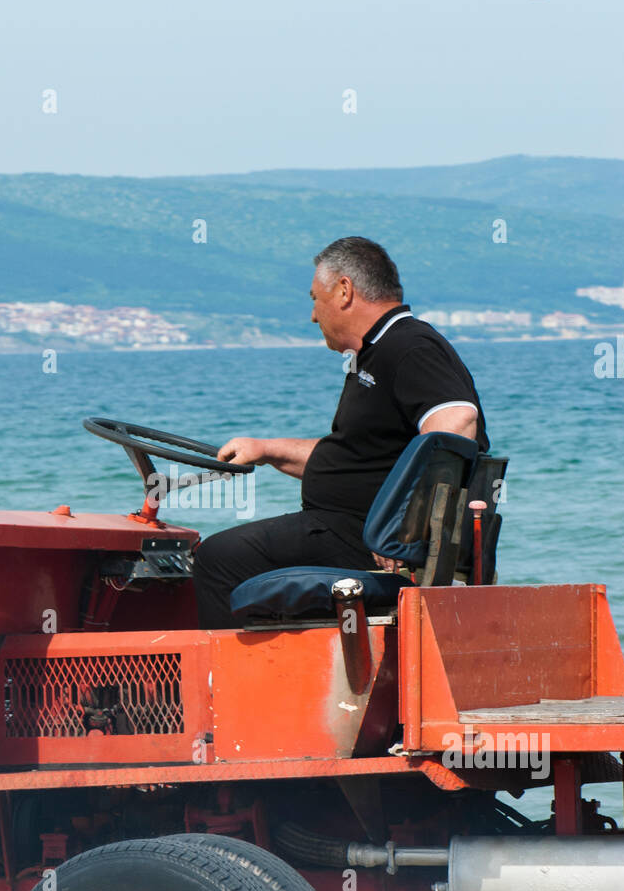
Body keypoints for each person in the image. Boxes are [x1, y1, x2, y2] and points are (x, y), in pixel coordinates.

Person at [193, 236, 489, 627]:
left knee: (217, 557)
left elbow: (456, 423)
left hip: (361, 537)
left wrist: (406, 527)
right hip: (348, 529)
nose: (314, 316)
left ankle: (223, 686)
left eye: (316, 298)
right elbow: (360, 456)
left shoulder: (410, 346)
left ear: (344, 291)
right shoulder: (376, 352)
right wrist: (266, 449)